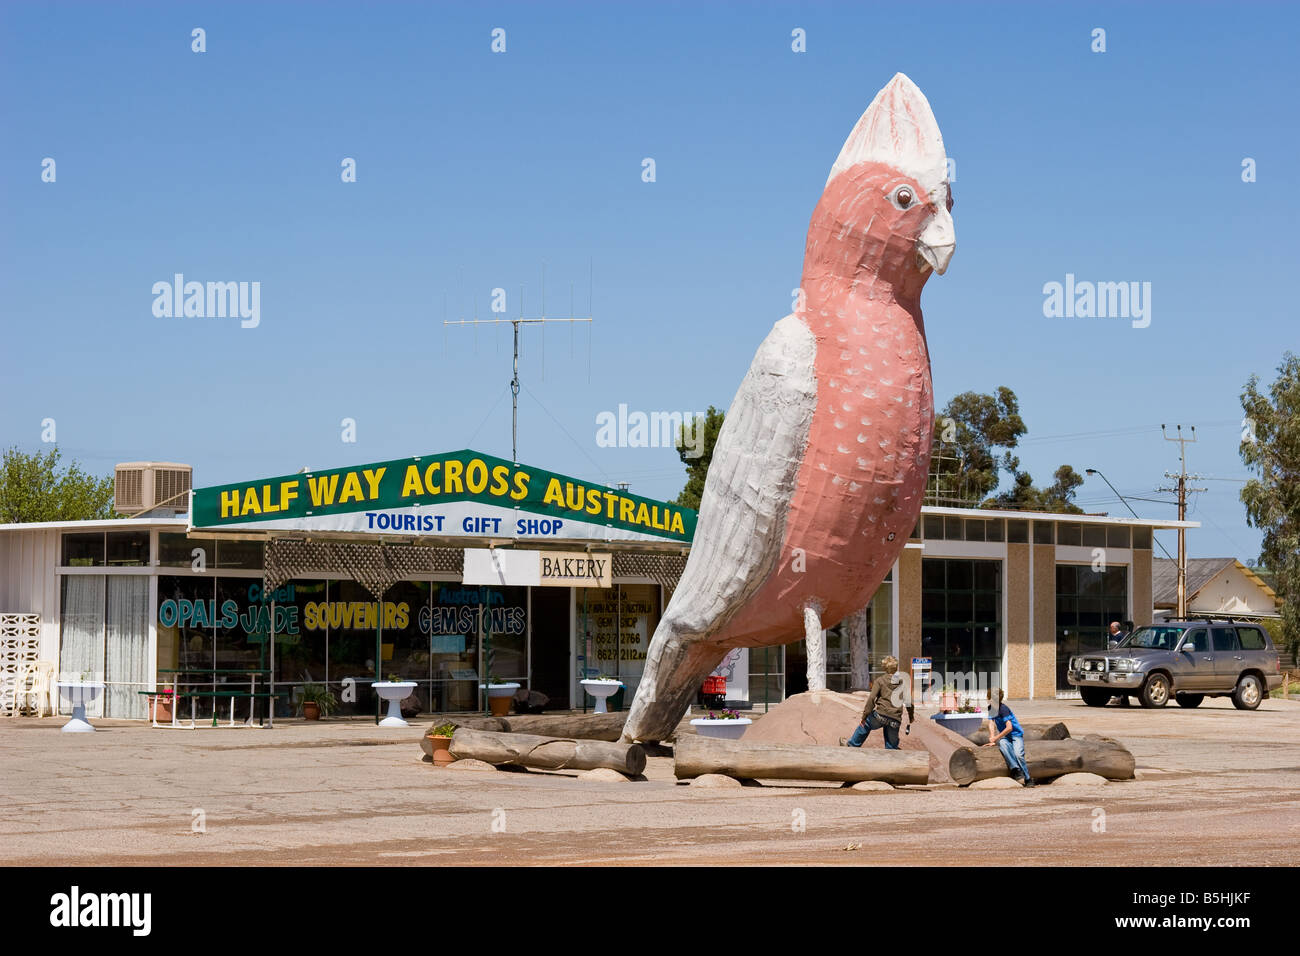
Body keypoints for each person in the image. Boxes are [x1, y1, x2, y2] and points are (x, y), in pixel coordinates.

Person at [841, 656, 914, 750]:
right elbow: (909, 703)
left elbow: (871, 698)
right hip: (895, 719)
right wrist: (911, 717)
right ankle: (891, 753)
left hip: (880, 716)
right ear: (896, 668)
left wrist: (865, 716)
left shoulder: (880, 681)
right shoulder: (902, 683)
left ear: (884, 668)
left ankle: (852, 745)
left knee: (865, 725)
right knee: (892, 748)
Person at [984, 688, 1034, 787]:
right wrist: (992, 738)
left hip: (1016, 735)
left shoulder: (1003, 709)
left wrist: (996, 737)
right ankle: (1015, 769)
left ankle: (1028, 778)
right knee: (1002, 744)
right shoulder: (991, 708)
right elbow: (991, 723)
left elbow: (1009, 728)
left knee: (1018, 754)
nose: (988, 699)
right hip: (1005, 736)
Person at [1109, 622, 1131, 706]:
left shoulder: (1121, 636)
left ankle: (1123, 698)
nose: (1110, 629)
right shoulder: (1112, 636)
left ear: (1116, 628)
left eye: (1111, 627)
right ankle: (1121, 697)